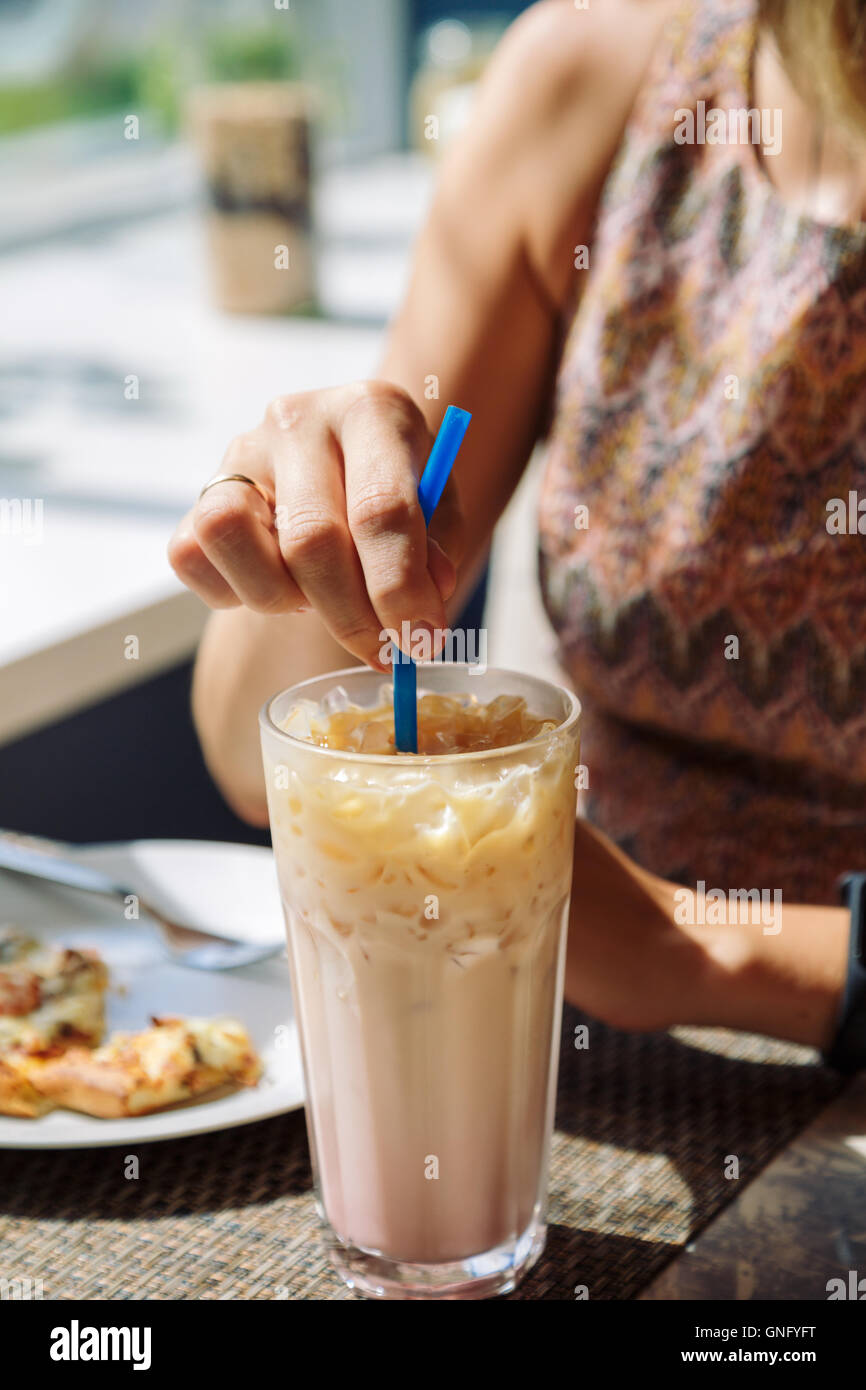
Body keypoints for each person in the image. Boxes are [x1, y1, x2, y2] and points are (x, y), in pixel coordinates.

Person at [169, 0, 866, 1061]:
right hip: (557, 1033)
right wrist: (313, 519)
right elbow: (246, 751)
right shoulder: (595, 80)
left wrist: (687, 948)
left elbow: (662, 948)